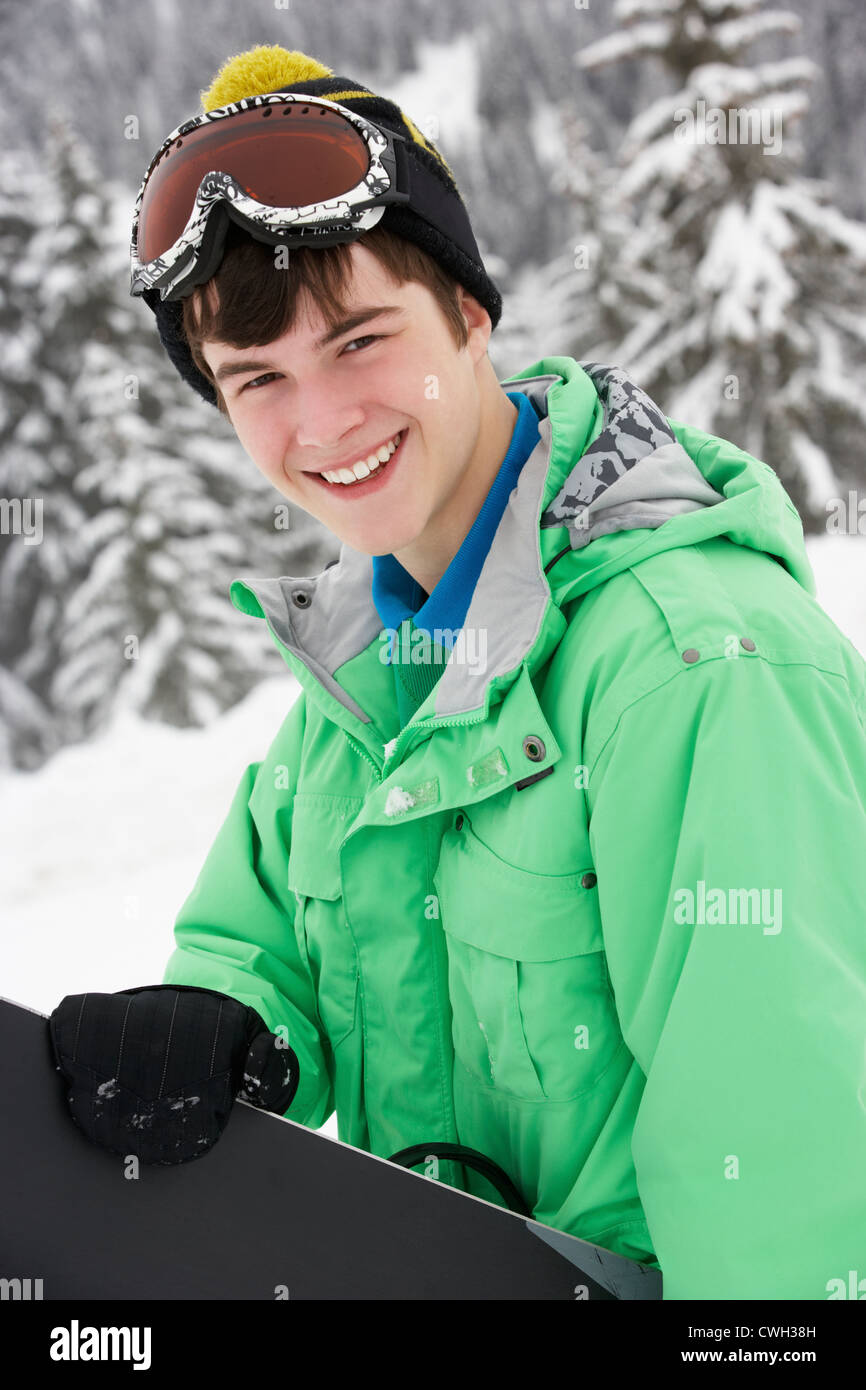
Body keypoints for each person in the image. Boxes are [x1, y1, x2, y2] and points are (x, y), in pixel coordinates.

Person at [52, 43, 866, 1300]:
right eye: (257, 378)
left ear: (470, 315)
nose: (321, 424)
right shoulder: (368, 667)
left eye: (361, 339)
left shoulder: (692, 670)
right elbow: (263, 940)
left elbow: (789, 1201)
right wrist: (221, 1024)